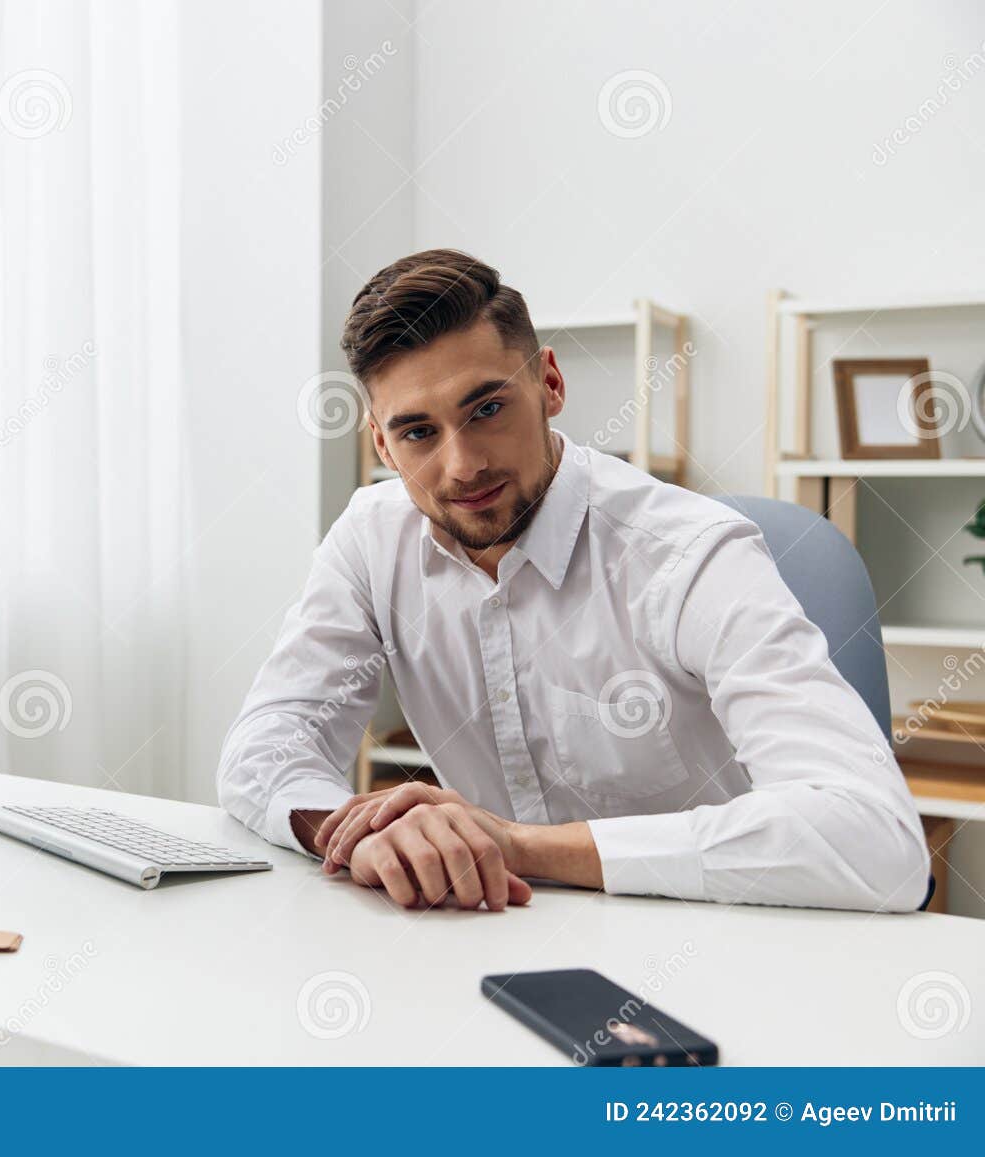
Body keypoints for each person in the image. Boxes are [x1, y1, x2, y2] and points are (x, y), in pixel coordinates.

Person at [216, 248, 928, 913]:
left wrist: (518, 848)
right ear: (380, 442)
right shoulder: (371, 540)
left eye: (486, 409)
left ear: (549, 383)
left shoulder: (691, 554)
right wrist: (356, 831)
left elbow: (880, 839)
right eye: (418, 433)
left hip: (717, 933)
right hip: (493, 933)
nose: (462, 466)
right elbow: (265, 748)